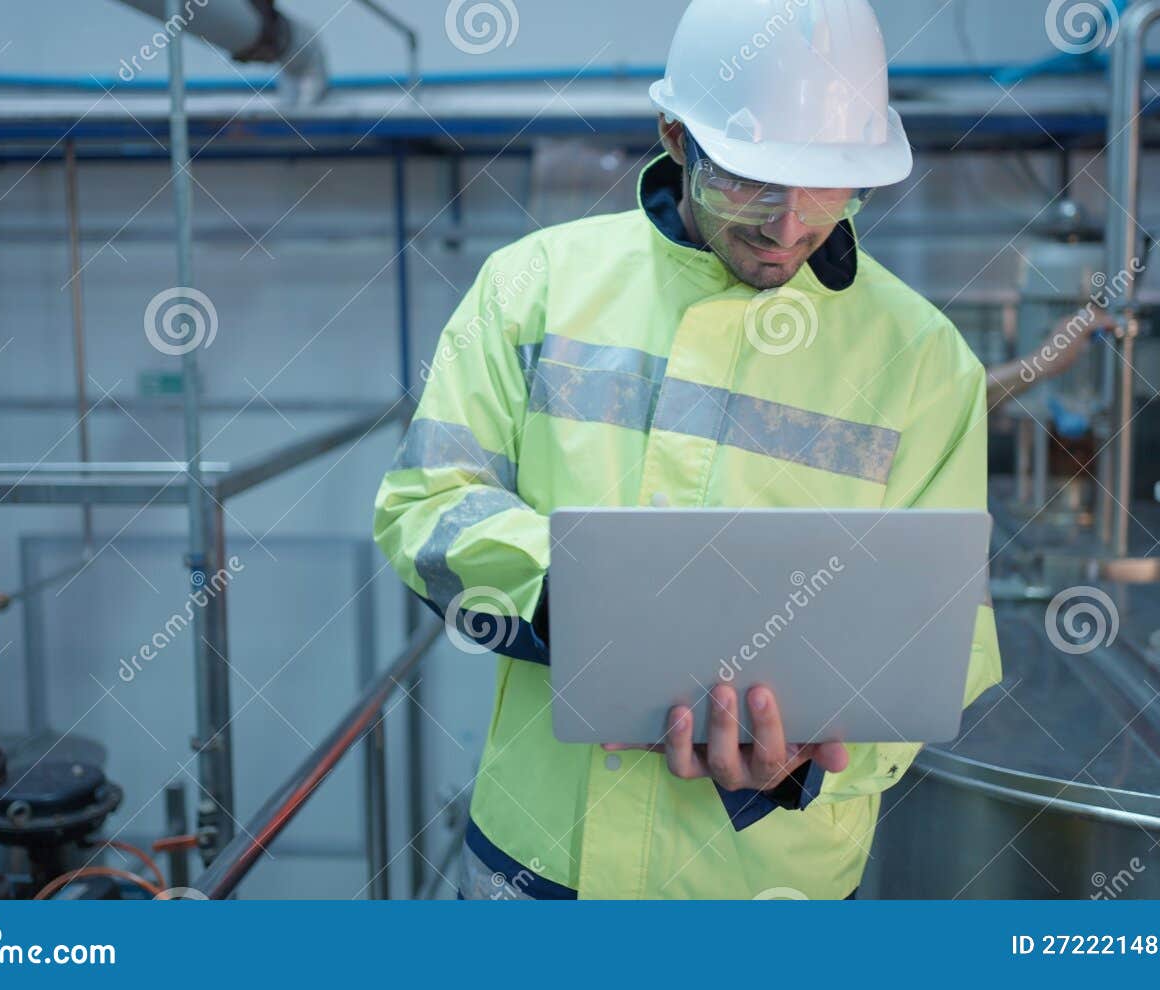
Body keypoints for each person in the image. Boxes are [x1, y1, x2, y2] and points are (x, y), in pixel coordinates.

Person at [374, 0, 1001, 900]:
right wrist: (587, 600)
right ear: (676, 138)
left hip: (769, 888)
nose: (788, 227)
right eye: (751, 184)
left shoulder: (926, 361)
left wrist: (804, 761)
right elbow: (427, 506)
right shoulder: (533, 286)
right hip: (542, 862)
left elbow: (952, 639)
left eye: (828, 190)